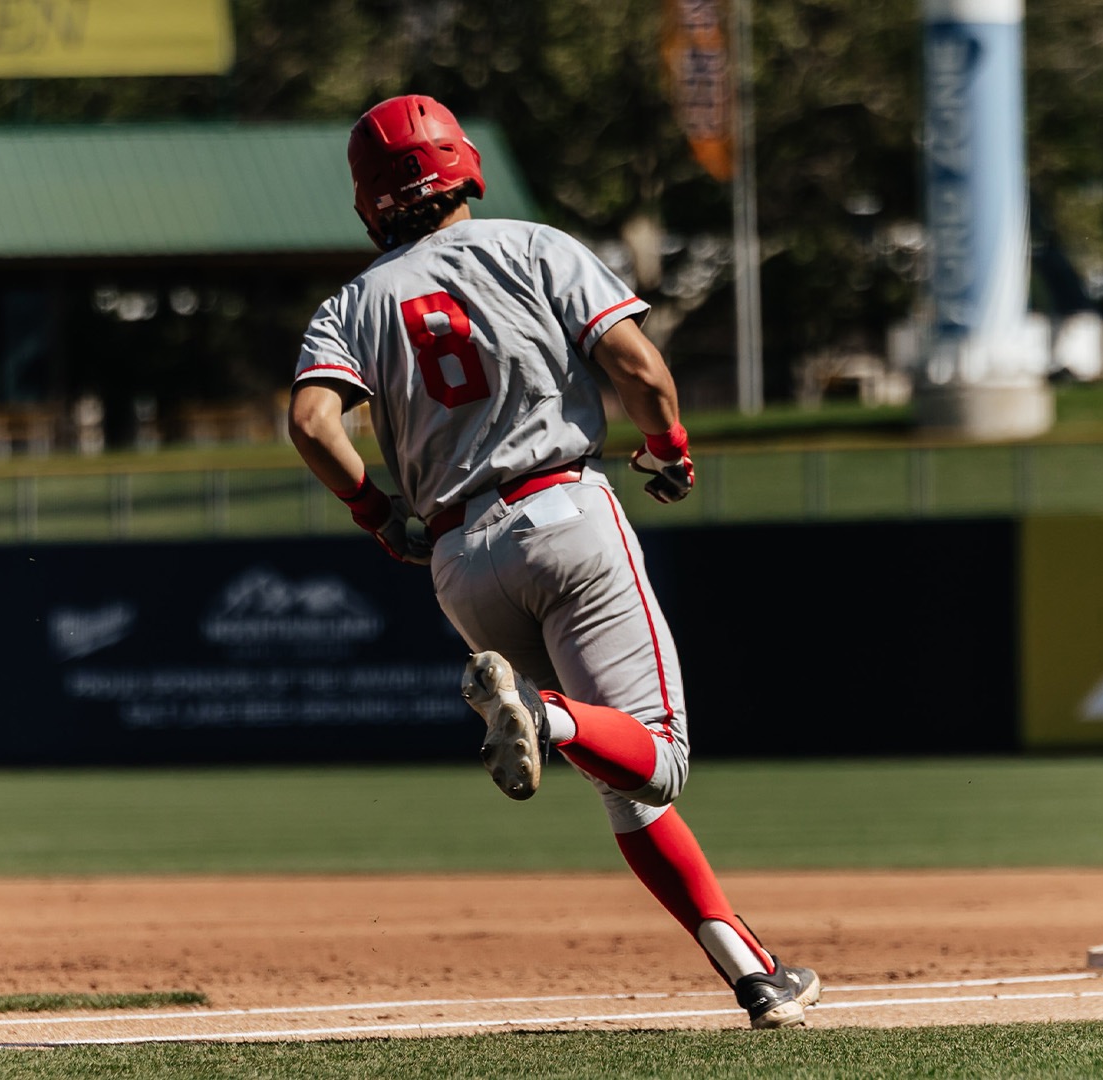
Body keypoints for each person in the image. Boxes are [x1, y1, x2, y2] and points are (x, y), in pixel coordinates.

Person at [287, 94, 822, 1029]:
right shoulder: (535, 246)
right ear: (463, 165)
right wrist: (670, 449)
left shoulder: (352, 304)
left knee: (625, 795)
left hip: (457, 556)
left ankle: (752, 970)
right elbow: (643, 371)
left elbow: (310, 424)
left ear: (369, 202)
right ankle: (543, 714)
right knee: (657, 762)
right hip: (562, 509)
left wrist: (377, 512)